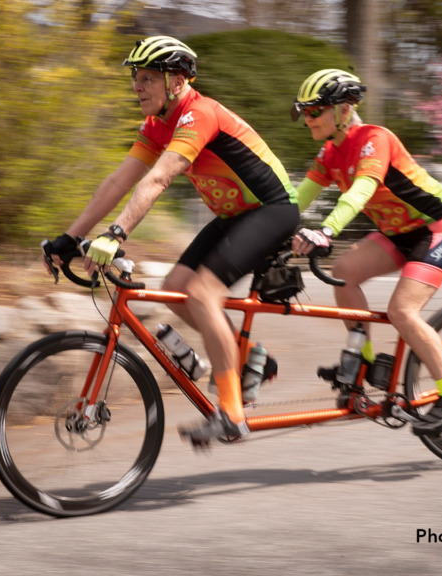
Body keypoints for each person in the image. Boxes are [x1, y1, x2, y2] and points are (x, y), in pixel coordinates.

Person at [42, 36, 300, 447]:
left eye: (147, 78)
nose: (137, 86)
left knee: (200, 295)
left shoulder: (199, 114)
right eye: (134, 78)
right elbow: (116, 184)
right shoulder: (155, 125)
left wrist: (115, 233)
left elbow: (158, 179)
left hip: (272, 210)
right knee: (175, 290)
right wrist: (70, 237)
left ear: (177, 81)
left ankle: (232, 413)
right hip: (234, 216)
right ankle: (253, 360)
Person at [289, 69, 442, 436]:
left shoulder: (375, 139)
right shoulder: (330, 151)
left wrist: (327, 229)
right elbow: (296, 201)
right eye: (304, 112)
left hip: (441, 227)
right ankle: (368, 363)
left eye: (315, 111)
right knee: (343, 274)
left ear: (343, 110)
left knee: (402, 311)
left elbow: (360, 192)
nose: (307, 119)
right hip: (398, 233)